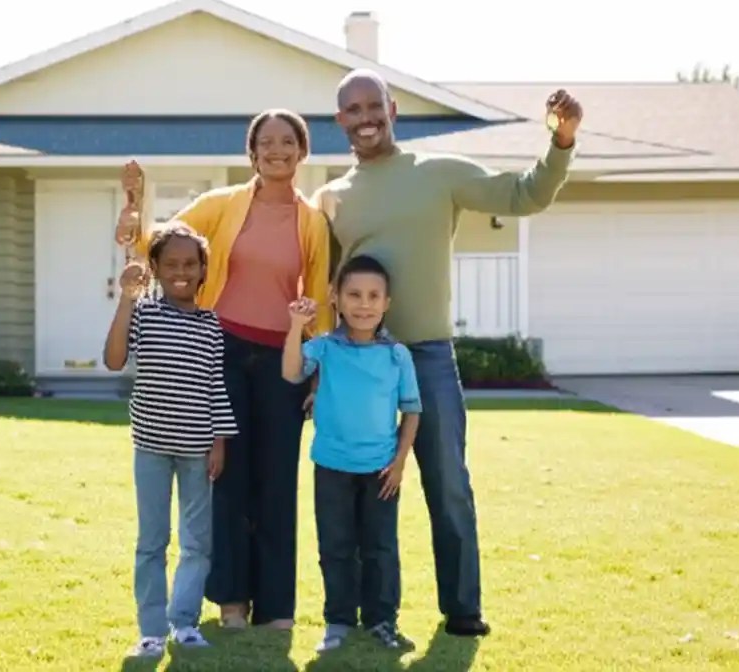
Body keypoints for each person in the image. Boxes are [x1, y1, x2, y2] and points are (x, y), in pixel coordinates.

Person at [311, 69, 584, 637]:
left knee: (448, 485)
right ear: (340, 121)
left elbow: (524, 194)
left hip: (427, 357)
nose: (365, 118)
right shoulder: (331, 198)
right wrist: (318, 371)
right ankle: (358, 617)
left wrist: (562, 141)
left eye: (374, 106)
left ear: (392, 110)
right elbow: (323, 286)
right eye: (353, 110)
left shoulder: (438, 173)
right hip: (356, 363)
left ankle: (462, 610)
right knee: (357, 493)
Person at [116, 109, 334, 630]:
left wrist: (319, 371)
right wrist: (133, 215)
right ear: (251, 152)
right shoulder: (222, 203)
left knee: (277, 482)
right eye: (266, 142)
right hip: (224, 351)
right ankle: (231, 601)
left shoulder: (312, 222)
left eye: (287, 141)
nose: (276, 150)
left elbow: (319, 302)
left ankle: (276, 608)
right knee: (229, 478)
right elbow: (160, 243)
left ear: (302, 152)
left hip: (283, 361)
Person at [102, 222, 238, 658]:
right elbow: (114, 359)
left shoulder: (210, 325)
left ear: (203, 271)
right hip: (151, 448)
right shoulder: (144, 315)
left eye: (190, 264)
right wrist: (127, 298)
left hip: (198, 450)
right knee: (152, 541)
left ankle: (184, 623)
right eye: (172, 264)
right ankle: (151, 630)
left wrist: (219, 441)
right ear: (156, 269)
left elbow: (215, 386)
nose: (181, 272)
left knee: (197, 542)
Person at [281, 254, 421, 654]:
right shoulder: (324, 348)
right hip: (331, 465)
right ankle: (338, 622)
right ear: (336, 299)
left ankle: (382, 620)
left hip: (382, 470)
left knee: (381, 548)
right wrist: (296, 326)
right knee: (335, 546)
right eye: (354, 295)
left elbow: (412, 410)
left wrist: (399, 462)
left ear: (387, 303)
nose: (364, 304)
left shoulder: (397, 355)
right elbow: (291, 372)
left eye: (374, 296)